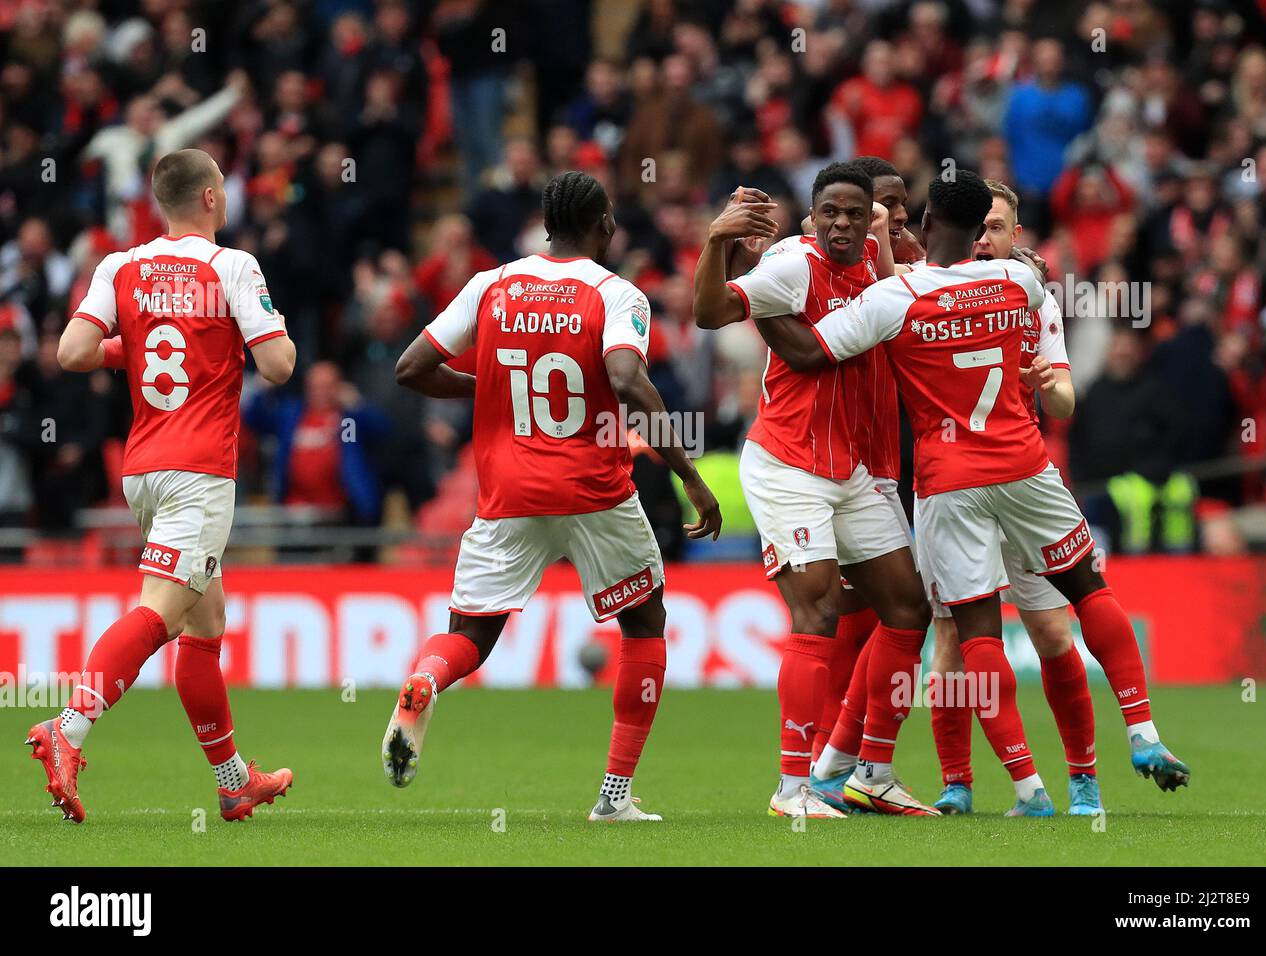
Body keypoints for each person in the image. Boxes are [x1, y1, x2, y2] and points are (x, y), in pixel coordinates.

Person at [753, 170, 1190, 817]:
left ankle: (1024, 788)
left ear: (927, 227)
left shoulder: (896, 298)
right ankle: (1142, 732)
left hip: (948, 484)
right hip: (1025, 467)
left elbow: (815, 352)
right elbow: (1035, 287)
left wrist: (758, 297)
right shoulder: (1019, 282)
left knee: (972, 635)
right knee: (1088, 590)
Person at [381, 171, 723, 822]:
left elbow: (410, 369)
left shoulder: (490, 285)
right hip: (594, 488)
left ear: (545, 224)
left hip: (508, 491)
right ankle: (615, 797)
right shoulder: (617, 294)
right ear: (605, 227)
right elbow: (627, 378)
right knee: (644, 624)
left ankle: (425, 678)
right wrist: (689, 475)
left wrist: (490, 390)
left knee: (470, 637)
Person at [29, 148, 298, 824]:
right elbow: (279, 366)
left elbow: (72, 353)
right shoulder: (233, 266)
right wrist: (253, 331)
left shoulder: (120, 266)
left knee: (204, 622)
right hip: (200, 472)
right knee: (161, 614)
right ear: (211, 199)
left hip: (144, 469)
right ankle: (69, 725)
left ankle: (235, 781)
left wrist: (140, 344)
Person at [693, 162, 936, 818]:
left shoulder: (880, 277)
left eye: (857, 214)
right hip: (788, 463)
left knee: (910, 609)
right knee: (819, 614)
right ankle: (792, 790)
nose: (843, 224)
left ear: (872, 222)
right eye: (831, 211)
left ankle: (873, 774)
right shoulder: (793, 265)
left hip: (851, 469)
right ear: (813, 215)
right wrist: (717, 242)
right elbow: (709, 310)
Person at [926, 180, 1101, 817]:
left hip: (1020, 481)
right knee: (952, 640)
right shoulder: (925, 290)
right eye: (979, 227)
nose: (985, 238)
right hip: (951, 487)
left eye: (997, 227)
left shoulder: (1032, 296)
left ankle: (1082, 777)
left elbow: (1064, 403)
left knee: (1052, 631)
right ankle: (957, 783)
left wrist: (1046, 383)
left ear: (1014, 234)